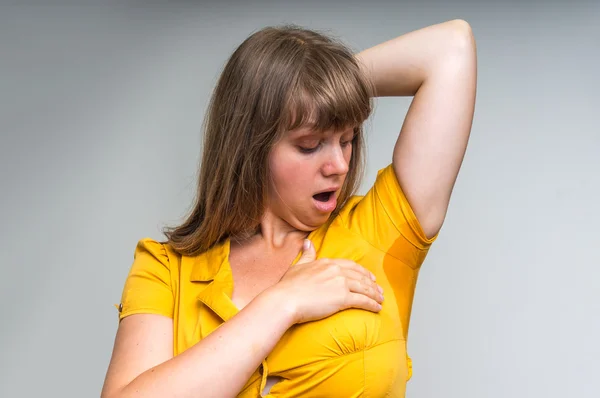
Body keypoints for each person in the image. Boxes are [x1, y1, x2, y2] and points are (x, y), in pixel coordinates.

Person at [101, 19, 476, 398]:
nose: (339, 165)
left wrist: (324, 85)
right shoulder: (165, 269)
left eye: (346, 140)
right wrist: (282, 302)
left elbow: (450, 49)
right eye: (310, 145)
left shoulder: (379, 230)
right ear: (250, 146)